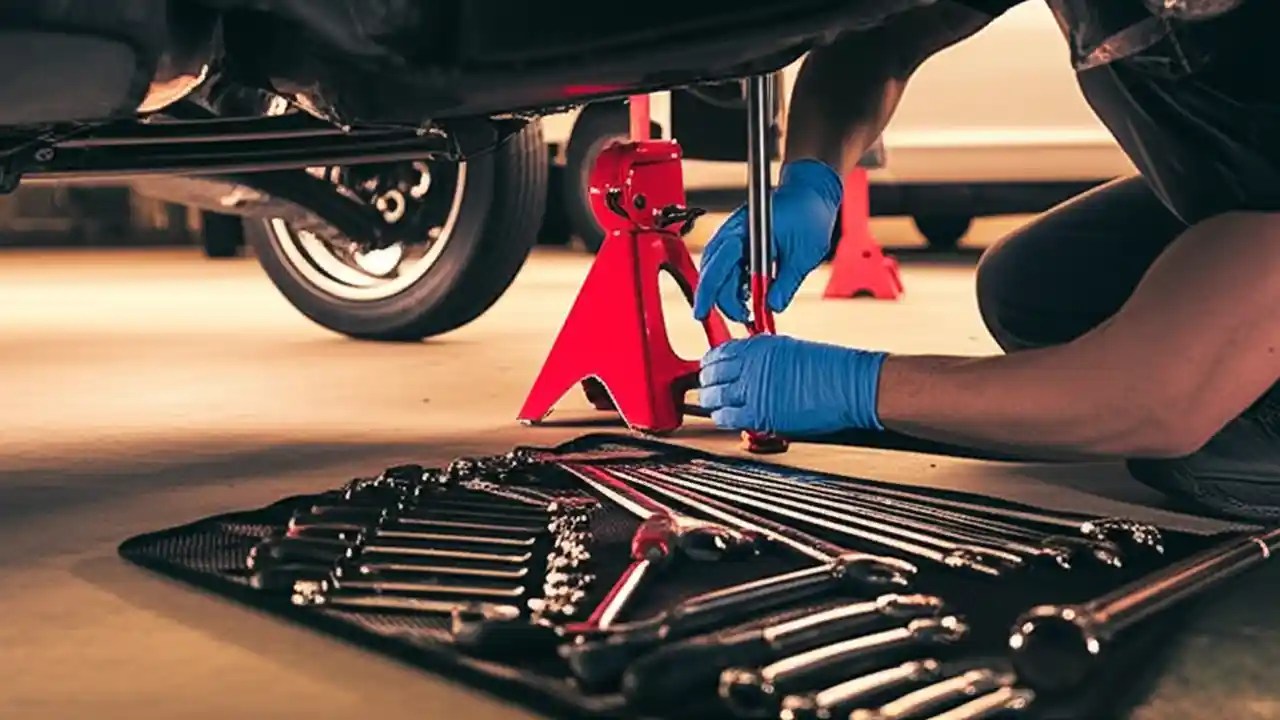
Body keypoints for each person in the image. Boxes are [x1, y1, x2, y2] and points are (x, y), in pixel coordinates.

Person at [692, 0, 1280, 520]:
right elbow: (881, 38)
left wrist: (857, 386)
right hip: (1246, 195)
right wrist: (811, 179)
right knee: (1033, 286)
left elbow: (1155, 397)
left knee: (1203, 442)